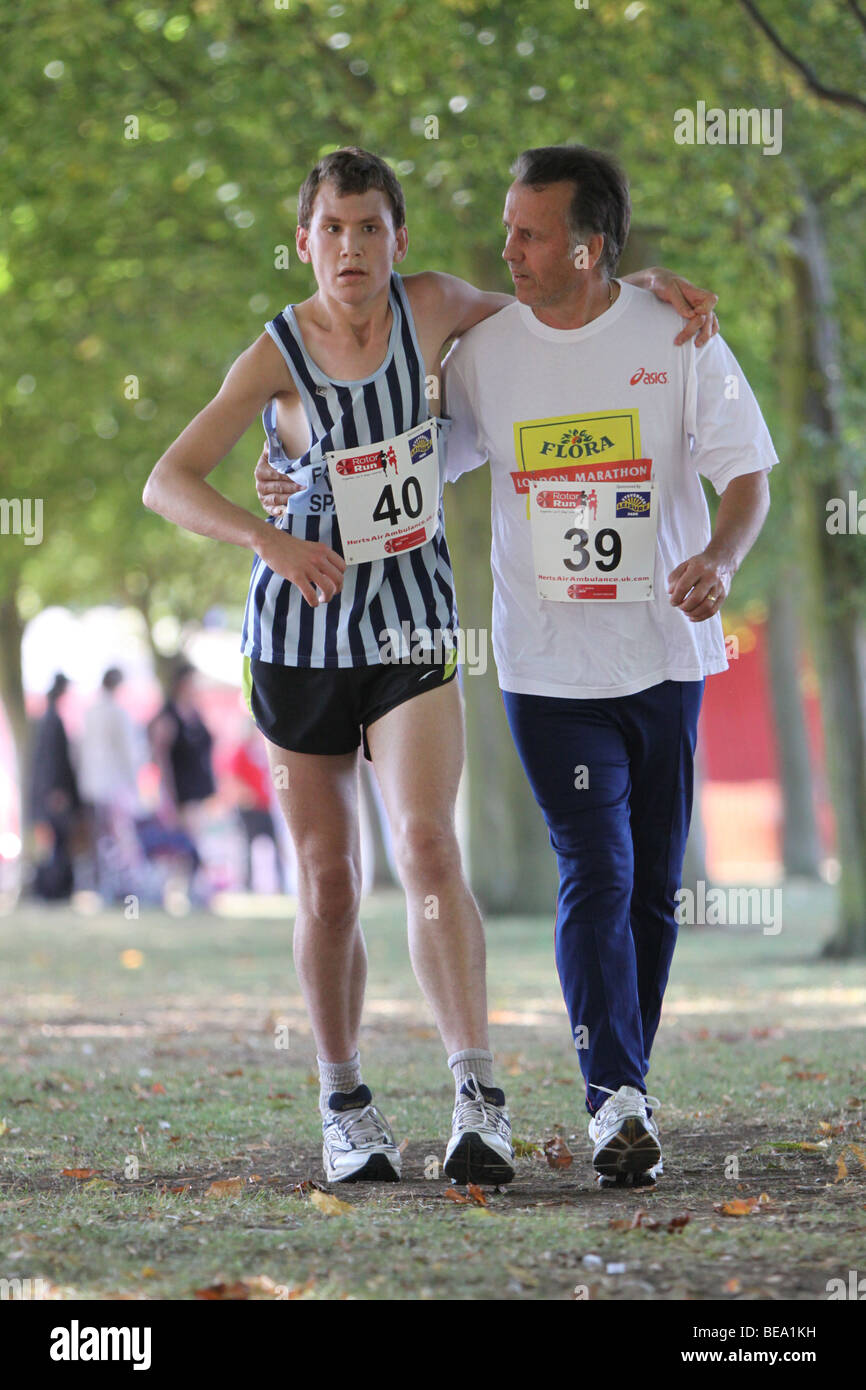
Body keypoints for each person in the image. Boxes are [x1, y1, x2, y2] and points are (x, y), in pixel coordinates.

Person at [146, 146, 718, 1188]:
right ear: (304, 242)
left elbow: (555, 299)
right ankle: (345, 1102)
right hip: (299, 638)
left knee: (425, 846)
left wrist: (635, 283)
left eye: (370, 227)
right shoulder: (276, 351)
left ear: (397, 240)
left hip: (411, 628)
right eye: (332, 229)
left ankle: (474, 1095)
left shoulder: (437, 307)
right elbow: (167, 481)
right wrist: (264, 538)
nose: (352, 247)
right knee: (328, 884)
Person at [439, 145, 774, 1186]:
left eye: (528, 234)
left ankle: (624, 1079)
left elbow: (746, 476)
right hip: (545, 673)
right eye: (506, 228)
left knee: (652, 895)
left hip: (666, 660)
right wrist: (293, 454)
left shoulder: (674, 333)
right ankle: (614, 1096)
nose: (507, 251)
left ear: (589, 248)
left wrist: (718, 559)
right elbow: (415, 451)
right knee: (599, 870)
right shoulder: (484, 350)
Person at [79, 667, 145, 898]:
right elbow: (127, 753)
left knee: (103, 840)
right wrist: (133, 786)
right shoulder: (116, 713)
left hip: (94, 787)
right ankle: (122, 888)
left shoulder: (90, 712)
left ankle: (105, 886)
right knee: (118, 840)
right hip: (114, 786)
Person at [27, 673, 80, 901]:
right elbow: (52, 760)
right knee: (55, 841)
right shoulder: (51, 720)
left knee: (54, 841)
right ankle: (51, 889)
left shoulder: (47, 718)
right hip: (53, 793)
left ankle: (53, 888)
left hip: (49, 791)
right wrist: (55, 790)